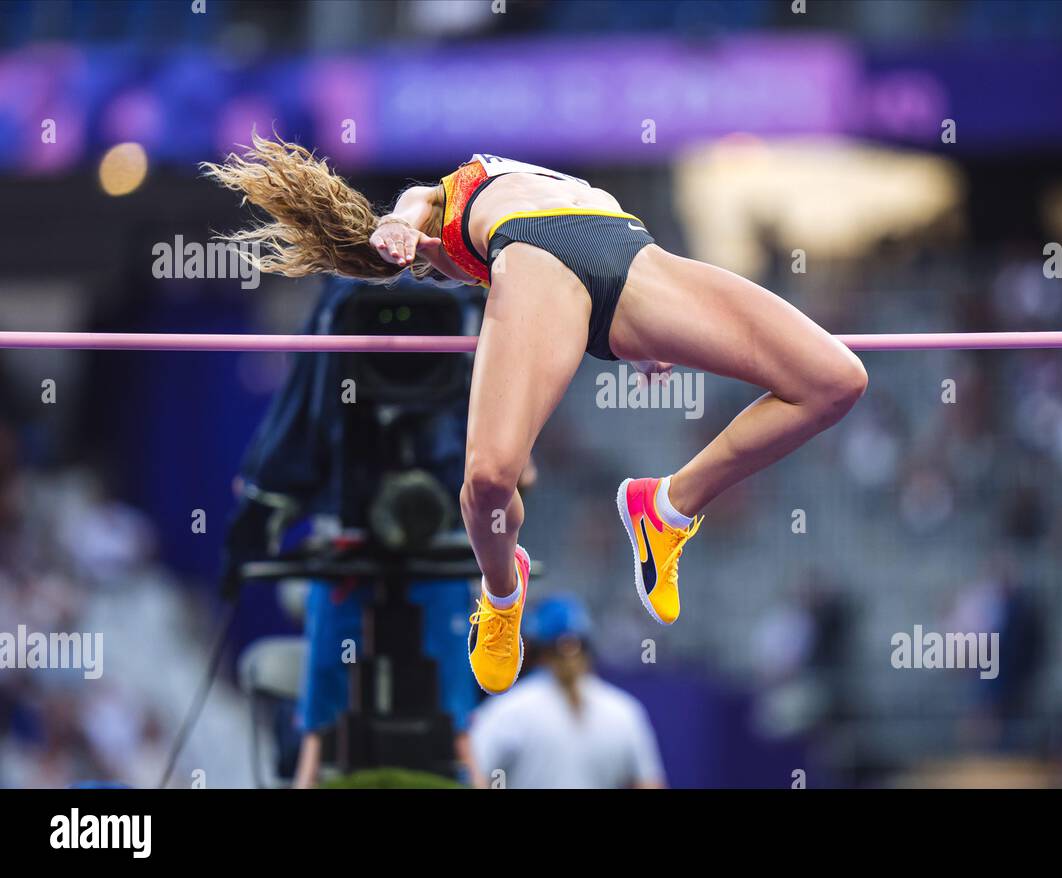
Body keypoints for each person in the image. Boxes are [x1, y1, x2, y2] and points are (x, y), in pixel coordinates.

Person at [202, 140, 869, 695]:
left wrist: (401, 225)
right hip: (550, 263)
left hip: (630, 253)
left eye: (431, 266)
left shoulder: (447, 196)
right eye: (430, 273)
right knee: (490, 480)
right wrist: (643, 341)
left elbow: (416, 202)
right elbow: (542, 306)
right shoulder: (497, 262)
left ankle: (666, 508)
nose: (435, 272)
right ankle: (500, 593)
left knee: (835, 380)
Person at [467, 595, 665, 789]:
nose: (569, 656)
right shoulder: (624, 710)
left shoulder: (509, 708)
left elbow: (472, 775)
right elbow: (472, 772)